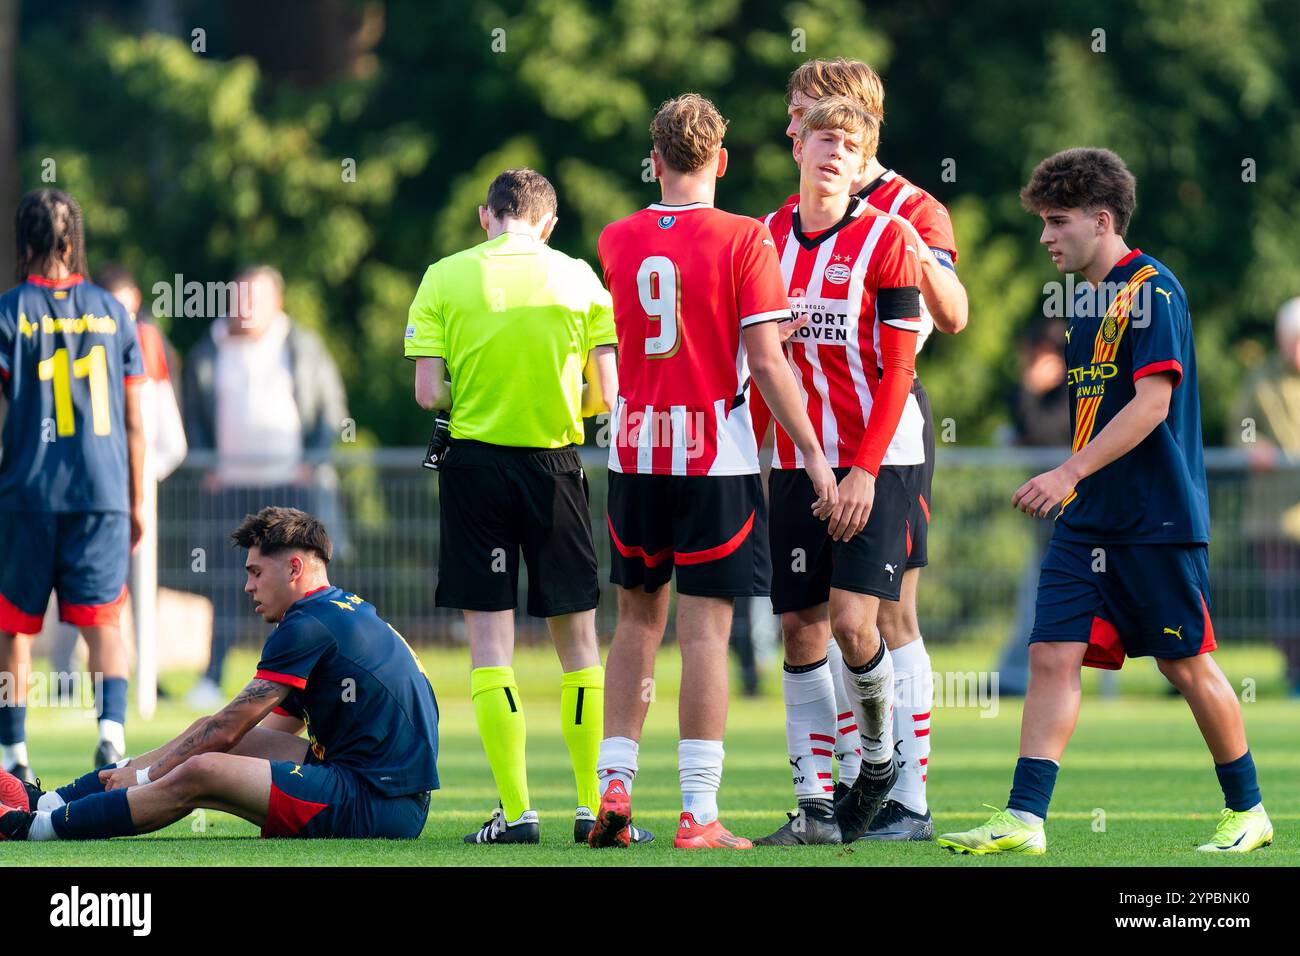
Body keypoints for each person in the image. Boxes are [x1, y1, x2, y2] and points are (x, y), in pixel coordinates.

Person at [938, 148, 1273, 855]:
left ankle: (1248, 811)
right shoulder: (1082, 302)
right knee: (1053, 655)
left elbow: (1153, 406)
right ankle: (1025, 819)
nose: (1044, 236)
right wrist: (1075, 485)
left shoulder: (1153, 291)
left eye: (1056, 221)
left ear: (1101, 219)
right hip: (1087, 520)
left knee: (1186, 666)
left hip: (1154, 519)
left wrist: (1066, 473)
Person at [589, 93, 836, 851]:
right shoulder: (746, 239)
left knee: (634, 623)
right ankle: (698, 811)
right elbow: (764, 363)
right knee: (704, 635)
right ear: (722, 162)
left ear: (654, 162)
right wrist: (818, 459)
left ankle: (615, 786)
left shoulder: (616, 238)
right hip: (714, 458)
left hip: (634, 452)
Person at [753, 57, 968, 841]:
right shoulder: (776, 227)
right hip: (805, 449)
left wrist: (907, 244)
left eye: (805, 111)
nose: (793, 128)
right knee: (812, 624)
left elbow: (951, 317)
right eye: (798, 120)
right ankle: (832, 799)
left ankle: (903, 795)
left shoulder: (909, 210)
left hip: (886, 430)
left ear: (860, 125)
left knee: (886, 615)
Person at [405, 168, 631, 846]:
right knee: (580, 643)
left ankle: (516, 812)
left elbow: (427, 392)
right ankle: (594, 807)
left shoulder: (443, 278)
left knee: (490, 645)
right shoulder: (578, 278)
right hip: (554, 465)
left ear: (486, 217)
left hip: (475, 468)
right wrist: (567, 405)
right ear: (549, 223)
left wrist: (469, 400)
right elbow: (607, 393)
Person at [1, 507, 439, 841]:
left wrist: (144, 777)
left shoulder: (306, 625)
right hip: (379, 788)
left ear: (294, 569)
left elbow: (225, 729)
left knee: (203, 769)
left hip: (380, 802)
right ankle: (53, 800)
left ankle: (33, 827)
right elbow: (253, 733)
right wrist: (160, 768)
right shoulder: (339, 610)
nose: (248, 586)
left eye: (255, 572)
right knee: (212, 742)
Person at [0, 189, 144, 781]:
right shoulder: (115, 311)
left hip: (28, 494)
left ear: (26, 242)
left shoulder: (9, 312)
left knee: (13, 626)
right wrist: (134, 499)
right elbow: (136, 418)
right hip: (102, 493)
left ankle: (15, 757)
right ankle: (111, 739)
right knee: (103, 622)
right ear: (72, 240)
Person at [182, 265, 349, 707]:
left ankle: (297, 680)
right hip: (230, 488)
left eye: (254, 297)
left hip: (289, 488)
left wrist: (312, 463)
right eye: (239, 297)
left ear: (277, 301)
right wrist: (205, 464)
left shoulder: (302, 344)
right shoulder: (209, 347)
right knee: (224, 583)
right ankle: (213, 677)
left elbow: (331, 407)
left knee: (295, 587)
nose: (245, 308)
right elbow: (192, 413)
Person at [1227, 297, 1300, 695]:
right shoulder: (1261, 379)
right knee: (1283, 605)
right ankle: (1295, 678)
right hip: (1274, 518)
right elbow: (1242, 429)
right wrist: (1254, 447)